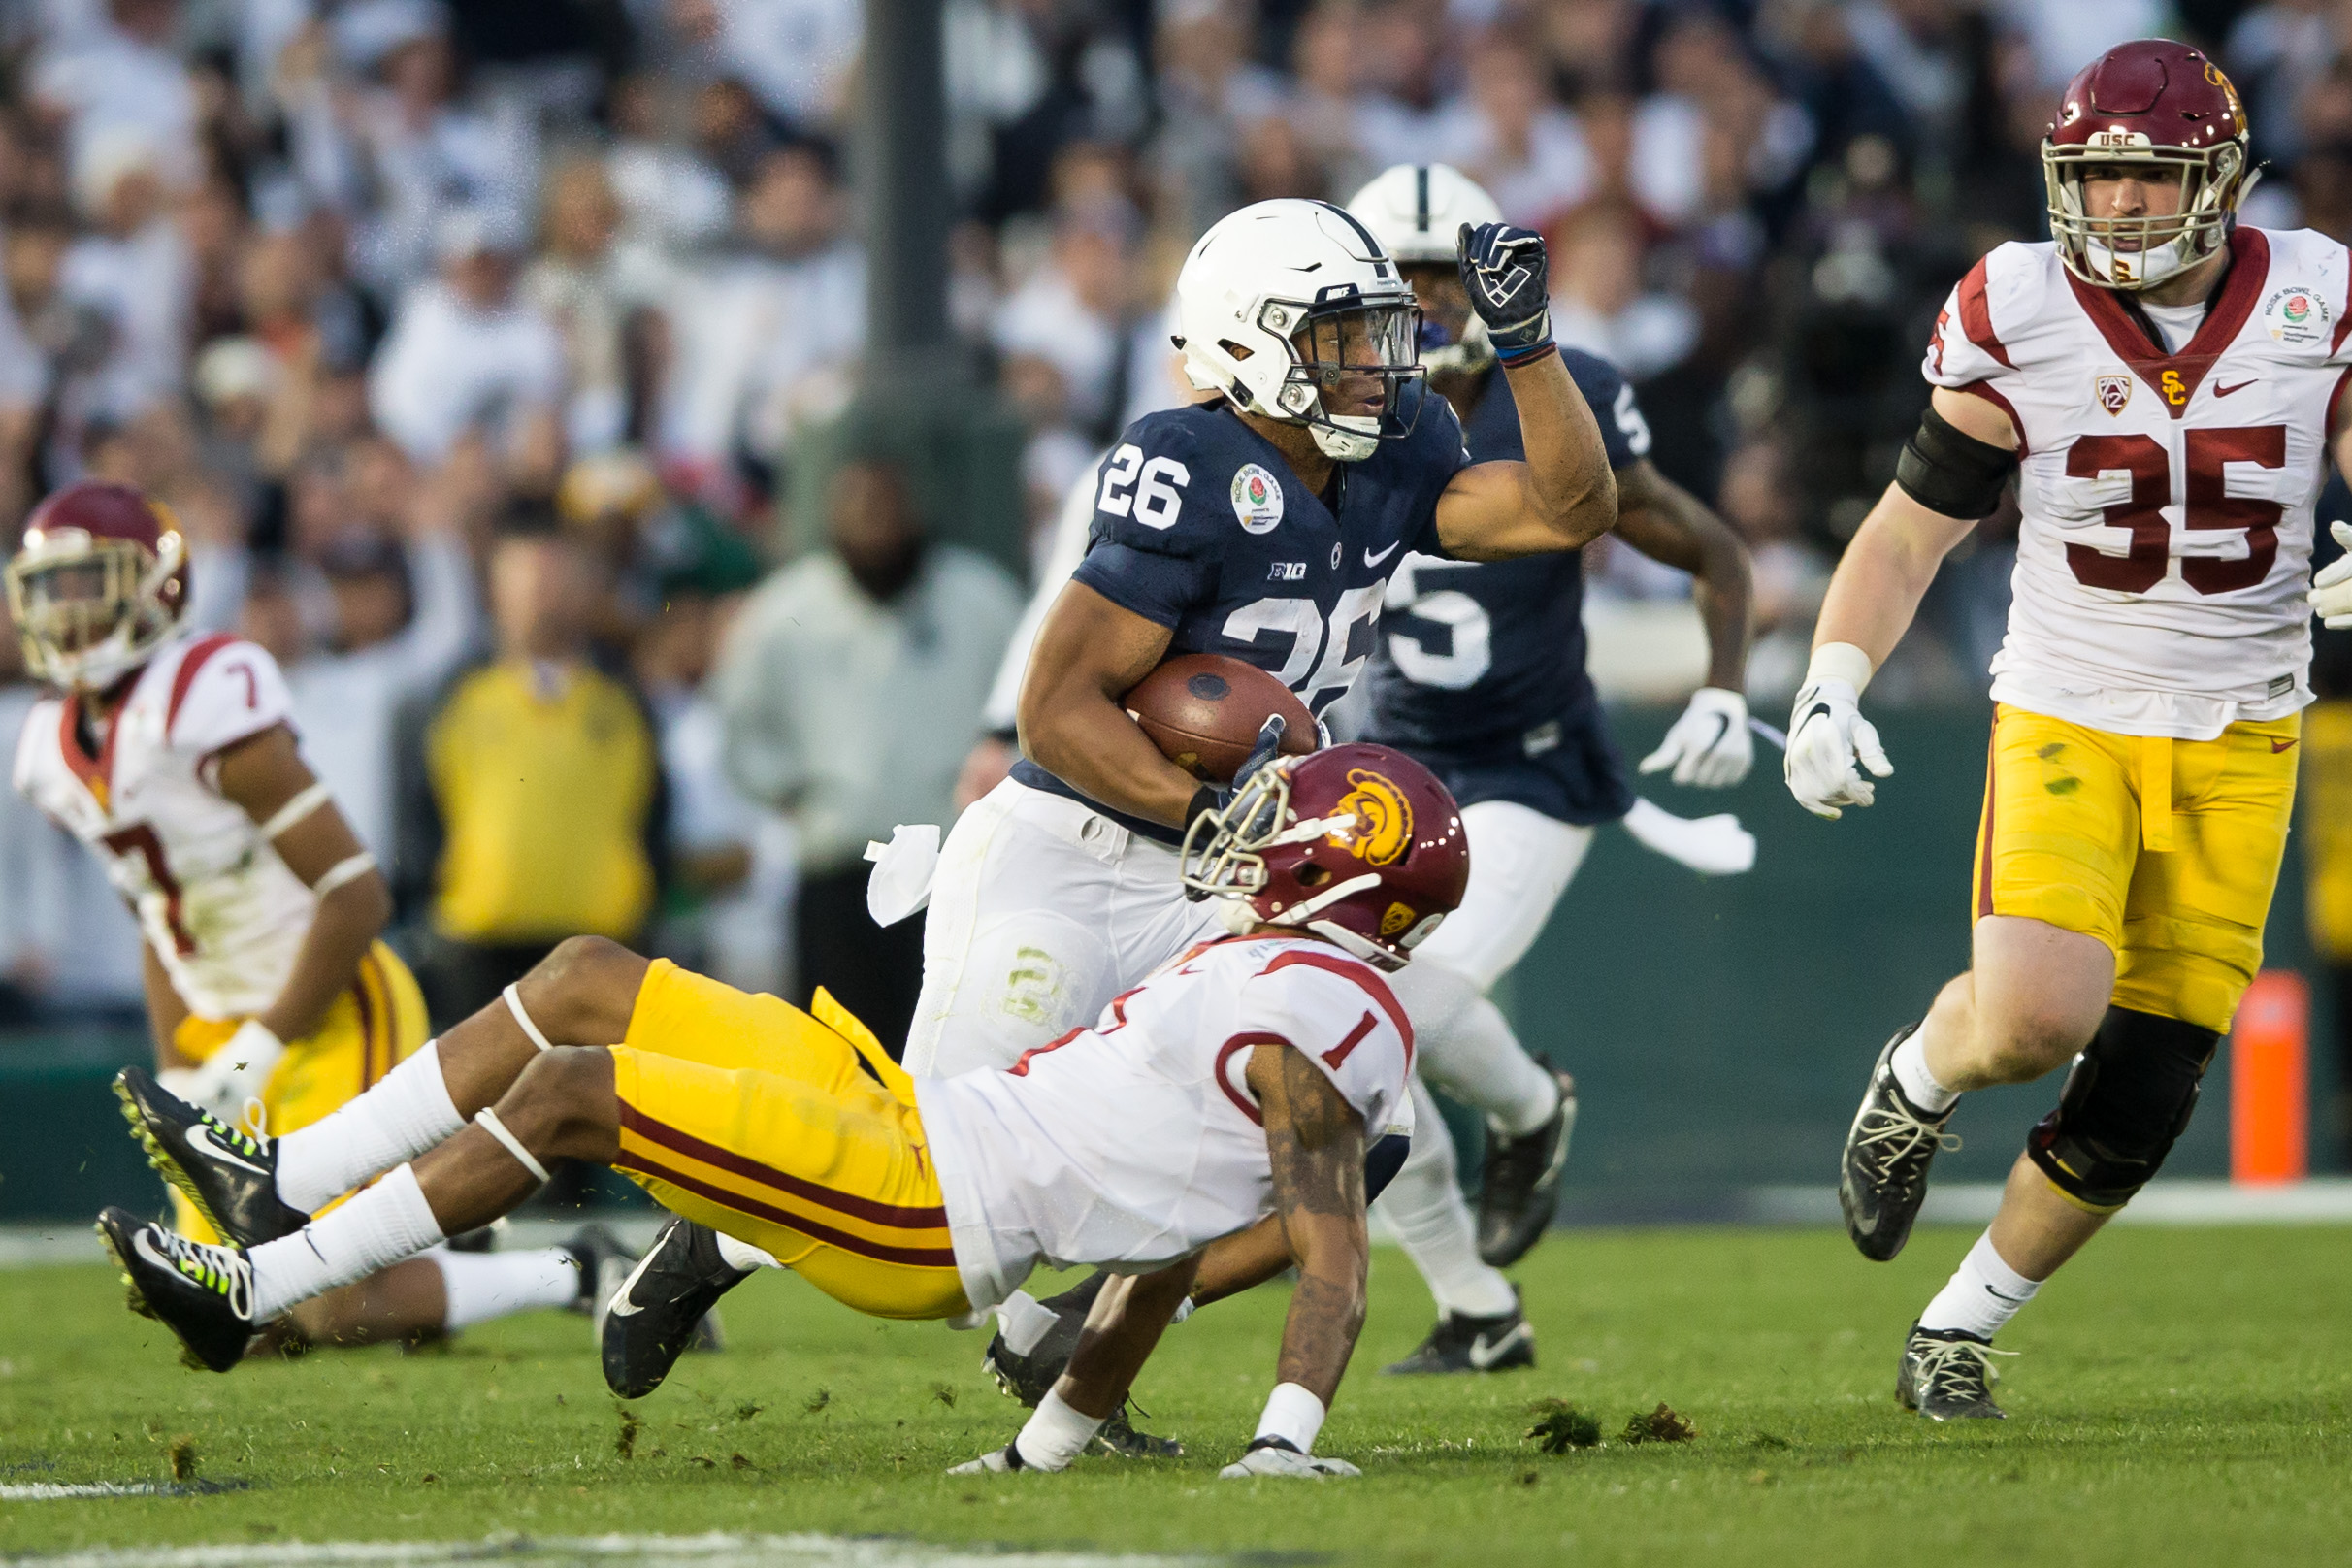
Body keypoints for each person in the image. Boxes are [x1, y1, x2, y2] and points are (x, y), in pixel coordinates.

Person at [103, 743, 1462, 1480]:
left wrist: (1283, 1443)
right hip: (921, 1121)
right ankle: (277, 1185)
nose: (1259, 823)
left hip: (926, 1209)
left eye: (1295, 820)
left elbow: (1324, 1251)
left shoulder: (1323, 1024)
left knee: (576, 1097)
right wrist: (1042, 1449)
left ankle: (256, 1286)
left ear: (1346, 876)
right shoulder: (1268, 973)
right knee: (592, 982)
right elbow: (1162, 1254)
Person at [902, 197, 1614, 1442]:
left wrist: (1530, 346)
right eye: (1337, 339)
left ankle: (1082, 1357)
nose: (1374, 364)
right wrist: (1210, 807)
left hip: (1225, 868)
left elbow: (1570, 509)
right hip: (1082, 849)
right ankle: (723, 1233)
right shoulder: (1187, 464)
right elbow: (1057, 707)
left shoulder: (1397, 450)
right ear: (1244, 345)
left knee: (1347, 1125)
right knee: (923, 1203)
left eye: (1375, 334)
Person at [1788, 42, 2347, 1420]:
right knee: (2039, 1019)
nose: (2116, 210)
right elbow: (1914, 528)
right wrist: (1828, 684)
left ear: (2219, 181)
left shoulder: (2319, 297)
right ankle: (1920, 1075)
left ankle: (1958, 1330)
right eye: (2095, 179)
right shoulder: (2019, 304)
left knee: (2148, 1087)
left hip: (2247, 730)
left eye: (2147, 183)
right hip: (2070, 707)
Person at [8, 482, 612, 1352]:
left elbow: (357, 893)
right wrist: (185, 1064)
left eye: (85, 583)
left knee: (328, 1305)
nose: (64, 613)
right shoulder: (48, 749)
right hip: (221, 1021)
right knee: (239, 1322)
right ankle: (441, 1235)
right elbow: (155, 914)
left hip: (330, 1007)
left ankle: (577, 1271)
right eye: (49, 588)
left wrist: (259, 1051)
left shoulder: (203, 694)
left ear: (156, 586)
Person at [1343, 163, 1755, 1373]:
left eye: (1442, 271)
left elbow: (1714, 549)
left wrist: (1726, 686)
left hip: (1529, 766)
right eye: (1399, 274)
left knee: (1386, 1023)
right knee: (1346, 1035)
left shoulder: (1561, 398)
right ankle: (1479, 1305)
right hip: (1385, 767)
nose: (1422, 299)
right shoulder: (1326, 404)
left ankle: (1525, 1110)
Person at [714, 459, 1021, 1049]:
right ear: (832, 523)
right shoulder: (783, 614)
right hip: (838, 873)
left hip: (953, 874)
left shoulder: (980, 600)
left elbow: (1026, 709)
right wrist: (787, 789)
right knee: (840, 1063)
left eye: (887, 509)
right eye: (859, 512)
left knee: (946, 1054)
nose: (875, 527)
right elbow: (740, 724)